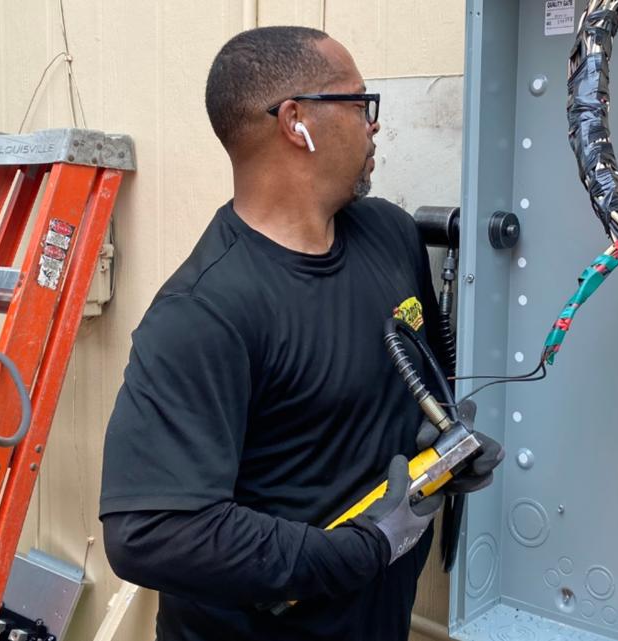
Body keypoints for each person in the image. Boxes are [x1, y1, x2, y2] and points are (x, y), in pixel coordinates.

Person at [99, 26, 503, 641]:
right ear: (296, 121)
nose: (374, 126)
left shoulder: (390, 235)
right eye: (361, 104)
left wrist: (449, 453)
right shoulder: (204, 311)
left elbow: (410, 382)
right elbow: (149, 532)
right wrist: (359, 552)